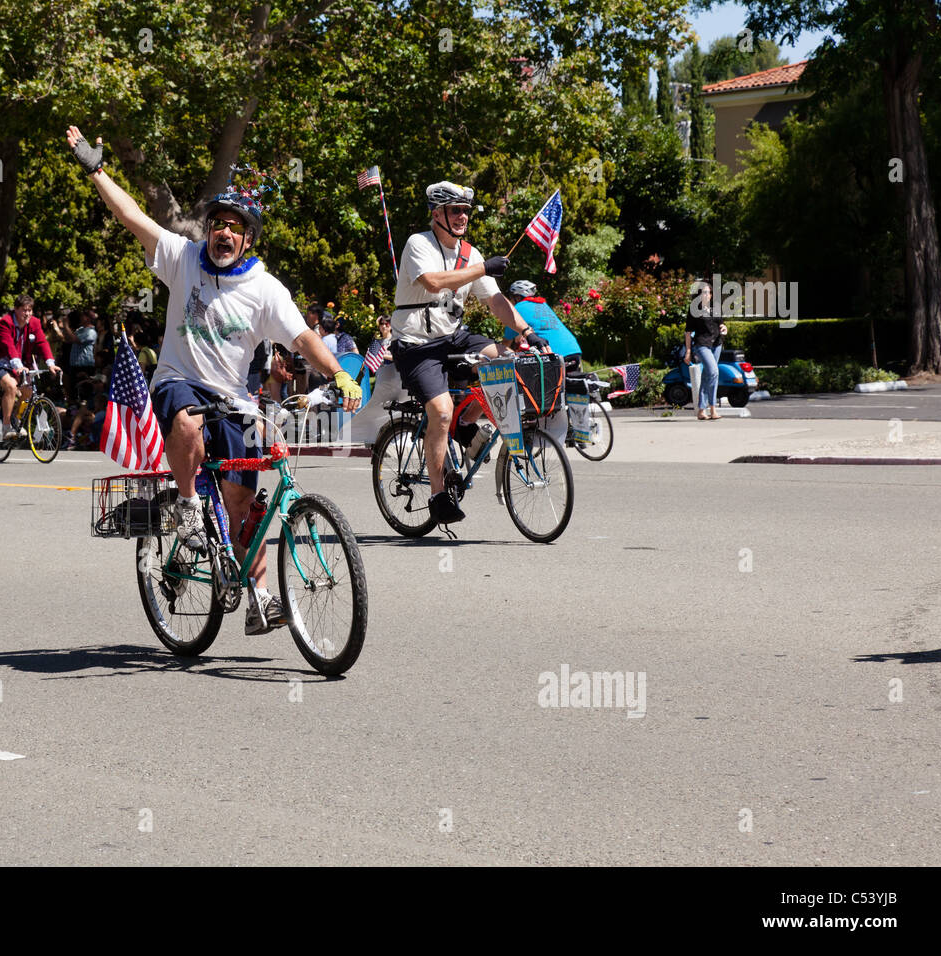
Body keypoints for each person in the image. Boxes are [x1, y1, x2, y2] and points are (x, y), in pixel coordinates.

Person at [66, 124, 360, 634]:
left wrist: (339, 374)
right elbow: (130, 215)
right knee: (186, 420)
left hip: (233, 398)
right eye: (217, 223)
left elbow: (302, 338)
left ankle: (261, 597)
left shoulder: (265, 289)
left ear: (248, 239)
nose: (223, 232)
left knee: (243, 502)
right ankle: (184, 506)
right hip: (178, 380)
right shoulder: (181, 259)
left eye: (234, 227)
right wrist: (96, 168)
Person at [388, 180, 546, 526]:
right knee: (440, 412)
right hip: (416, 344)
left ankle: (467, 422)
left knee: (507, 359)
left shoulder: (470, 253)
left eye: (466, 211)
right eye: (455, 210)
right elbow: (433, 282)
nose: (462, 217)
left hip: (453, 337)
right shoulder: (419, 243)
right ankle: (437, 495)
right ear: (437, 214)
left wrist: (527, 332)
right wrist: (484, 268)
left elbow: (494, 301)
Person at [0, 293, 60, 439]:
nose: (27, 313)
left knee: (27, 390)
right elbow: (9, 345)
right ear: (15, 309)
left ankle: (16, 419)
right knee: (11, 386)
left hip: (17, 360)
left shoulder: (34, 322)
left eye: (29, 310)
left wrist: (50, 363)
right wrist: (18, 365)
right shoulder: (5, 323)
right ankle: (6, 426)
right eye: (23, 310)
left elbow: (42, 342)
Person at [504, 280, 583, 369]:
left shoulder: (518, 308)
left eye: (511, 297)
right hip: (573, 350)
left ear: (517, 297)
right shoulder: (542, 304)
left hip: (554, 355)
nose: (510, 300)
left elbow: (506, 342)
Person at [685, 280, 728, 420]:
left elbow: (721, 323)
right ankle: (713, 407)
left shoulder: (716, 307)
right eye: (704, 292)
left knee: (707, 375)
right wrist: (688, 351)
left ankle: (702, 410)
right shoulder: (694, 310)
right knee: (714, 371)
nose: (707, 295)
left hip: (717, 344)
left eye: (709, 292)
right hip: (702, 344)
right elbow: (688, 332)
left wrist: (724, 328)